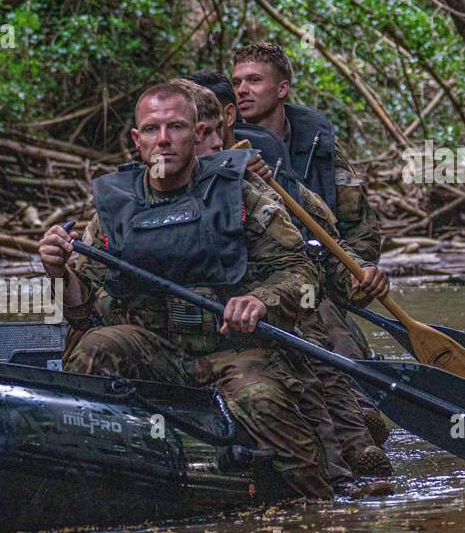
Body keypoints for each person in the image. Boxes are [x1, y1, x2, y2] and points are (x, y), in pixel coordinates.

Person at [38, 82, 332, 501]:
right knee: (95, 348)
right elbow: (80, 307)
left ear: (196, 134)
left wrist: (259, 301)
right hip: (154, 347)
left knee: (263, 400)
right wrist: (56, 270)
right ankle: (88, 488)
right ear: (137, 141)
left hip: (232, 348)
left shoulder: (239, 194)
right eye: (152, 129)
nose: (164, 140)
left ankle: (318, 510)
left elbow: (301, 271)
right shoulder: (113, 210)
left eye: (175, 127)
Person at [188, 72, 393, 479]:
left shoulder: (263, 173)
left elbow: (322, 245)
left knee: (316, 349)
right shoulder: (151, 184)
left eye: (210, 127)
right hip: (205, 323)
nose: (203, 140)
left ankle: (353, 446)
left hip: (285, 302)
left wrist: (361, 273)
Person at [233, 42, 391, 446]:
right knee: (316, 324)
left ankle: (361, 417)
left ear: (282, 89)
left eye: (254, 80)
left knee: (335, 327)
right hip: (268, 283)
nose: (242, 90)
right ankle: (352, 423)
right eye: (236, 82)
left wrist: (357, 276)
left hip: (325, 278)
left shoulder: (321, 148)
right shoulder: (228, 151)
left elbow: (360, 227)